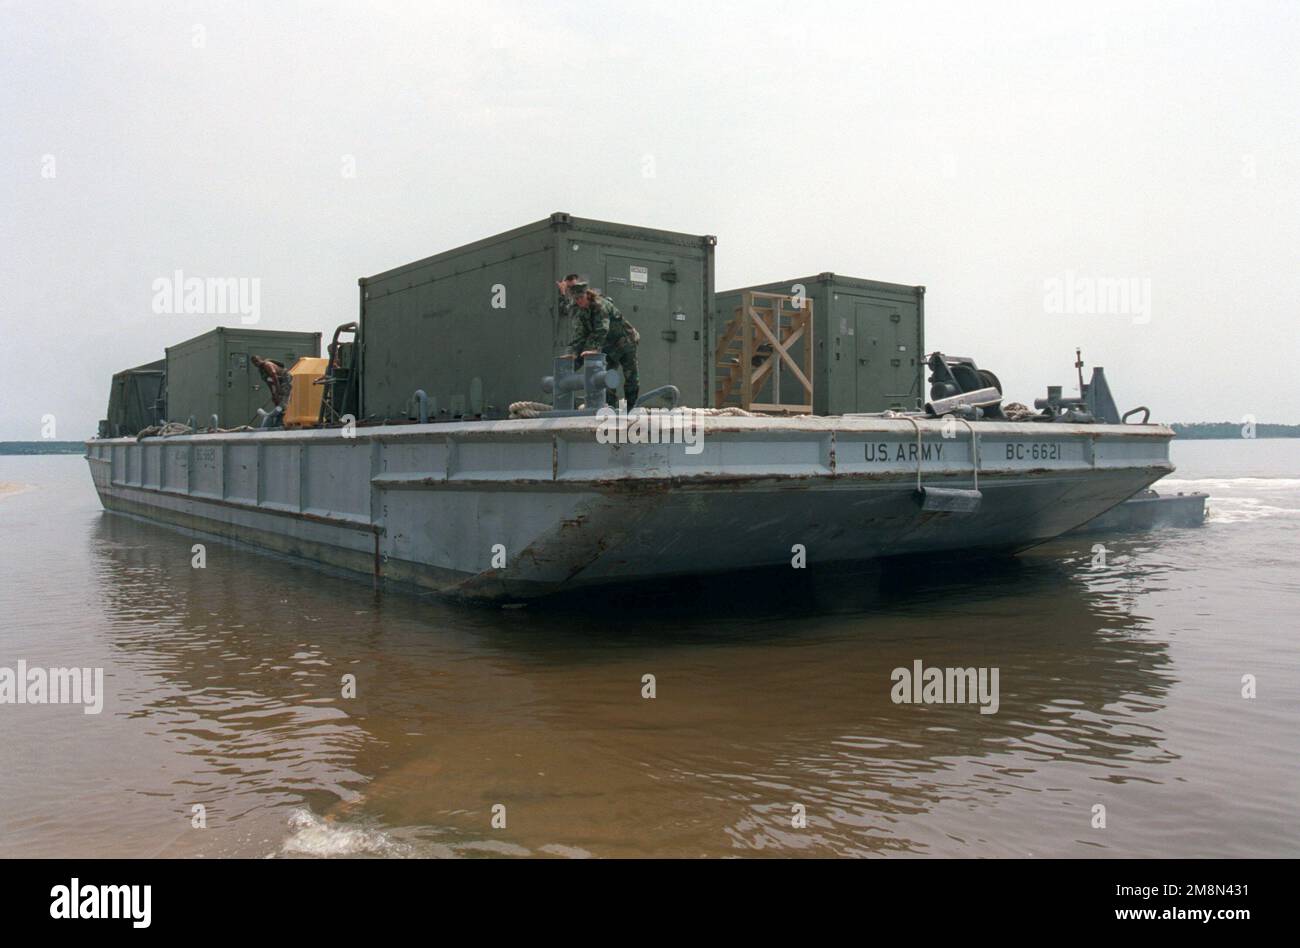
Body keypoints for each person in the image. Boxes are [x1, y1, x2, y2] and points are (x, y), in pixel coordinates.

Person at [557, 276, 640, 409]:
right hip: (608, 346)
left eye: (580, 298)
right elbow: (580, 335)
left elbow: (602, 329)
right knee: (605, 377)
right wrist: (571, 353)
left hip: (625, 342)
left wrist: (593, 349)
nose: (578, 301)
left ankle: (632, 408)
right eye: (576, 299)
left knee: (631, 376)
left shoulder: (600, 305)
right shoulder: (582, 310)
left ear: (587, 295)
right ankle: (611, 408)